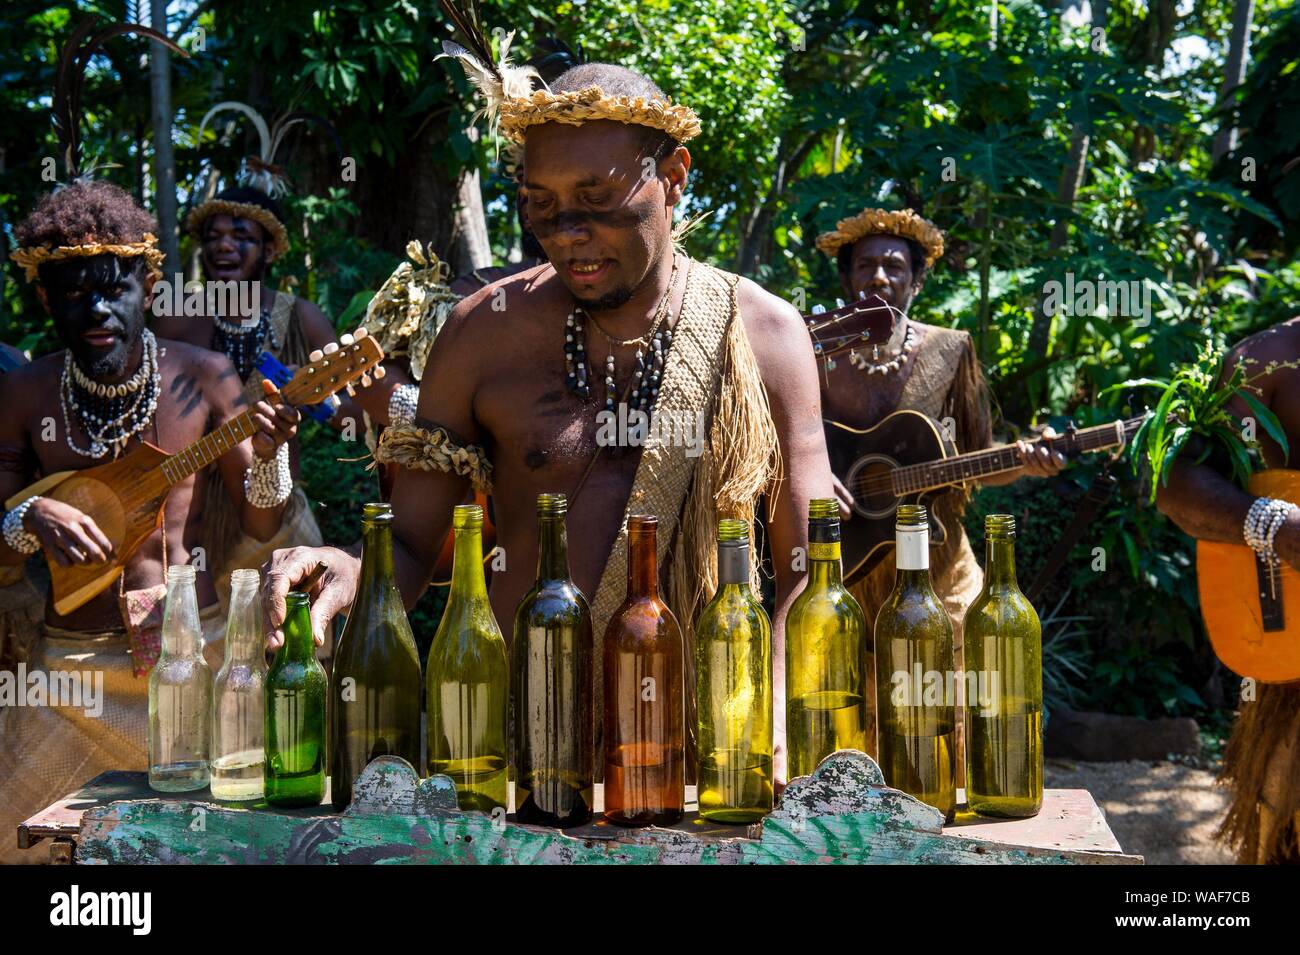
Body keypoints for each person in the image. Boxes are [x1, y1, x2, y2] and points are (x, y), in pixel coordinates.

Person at [263, 61, 835, 780]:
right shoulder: (481, 335)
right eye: (541, 204)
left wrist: (773, 711)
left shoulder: (766, 336)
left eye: (597, 199)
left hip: (702, 756)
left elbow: (813, 572)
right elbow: (410, 545)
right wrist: (353, 569)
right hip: (508, 754)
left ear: (676, 174)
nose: (567, 233)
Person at [0, 180, 301, 862]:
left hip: (188, 658)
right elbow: (0, 542)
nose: (98, 308)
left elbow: (263, 523)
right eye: (74, 291)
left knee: (209, 849)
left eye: (116, 288)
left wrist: (274, 454)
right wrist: (28, 512)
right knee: (26, 846)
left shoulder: (207, 376)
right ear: (46, 298)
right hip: (67, 677)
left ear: (150, 288)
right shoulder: (22, 392)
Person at [814, 206, 1066, 765]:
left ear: (918, 279)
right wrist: (812, 475)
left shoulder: (950, 350)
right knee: (844, 707)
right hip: (845, 561)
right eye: (867, 266)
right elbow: (777, 443)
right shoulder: (814, 350)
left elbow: (976, 461)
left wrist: (1025, 462)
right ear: (848, 277)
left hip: (935, 558)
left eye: (895, 266)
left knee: (951, 693)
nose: (880, 276)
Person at [159, 107, 347, 609]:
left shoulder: (302, 318)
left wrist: (327, 408)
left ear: (268, 251)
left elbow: (345, 417)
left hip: (278, 512)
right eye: (213, 236)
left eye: (241, 237)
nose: (224, 245)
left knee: (288, 644)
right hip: (195, 522)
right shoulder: (178, 319)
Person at [1155, 318, 1300, 864]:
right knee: (1284, 832)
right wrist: (1273, 525)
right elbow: (1178, 481)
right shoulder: (1269, 360)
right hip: (1295, 672)